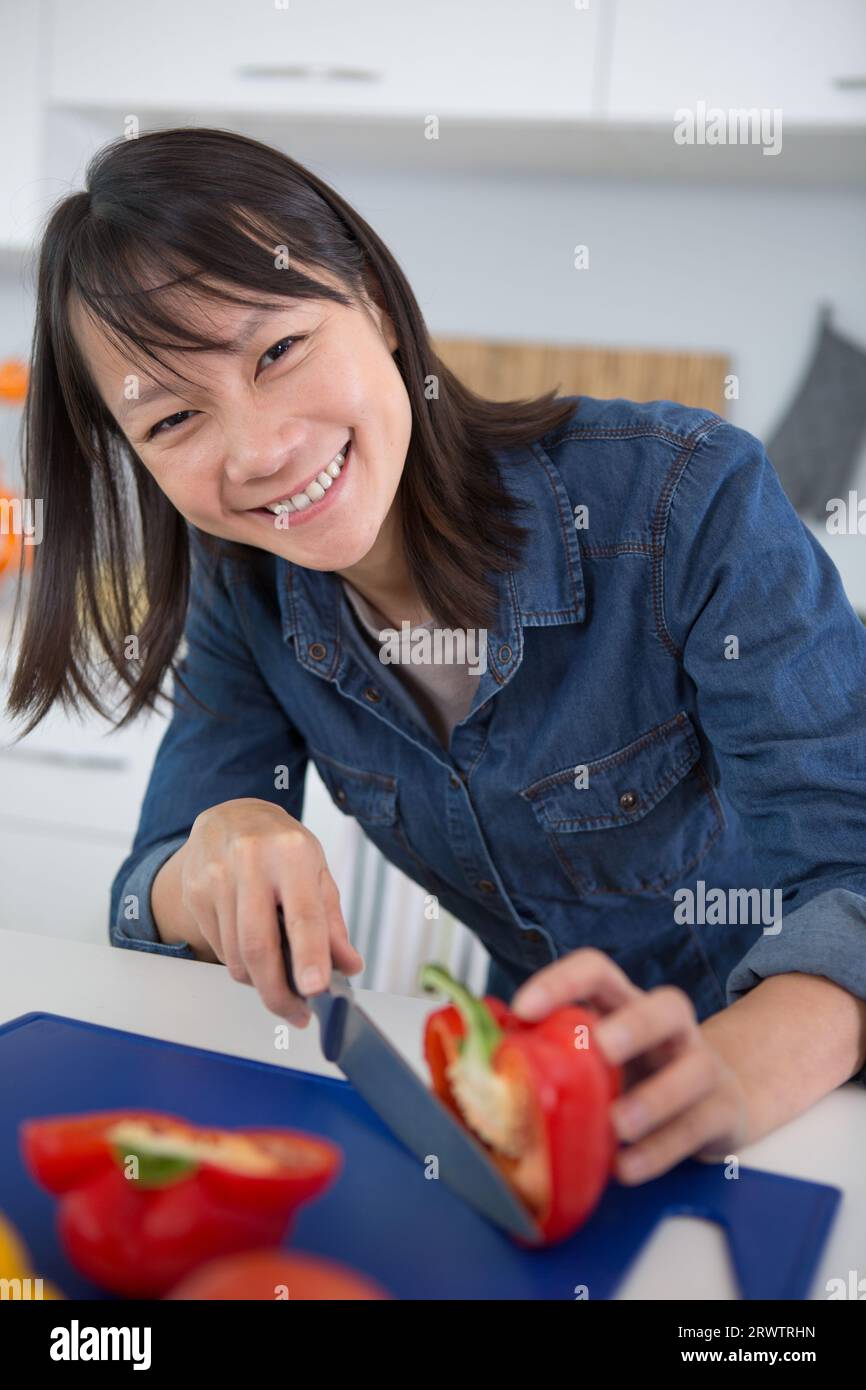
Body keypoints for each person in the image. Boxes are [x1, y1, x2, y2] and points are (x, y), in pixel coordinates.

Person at [9, 127, 866, 1188]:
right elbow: (143, 906)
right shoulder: (247, 595)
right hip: (539, 1106)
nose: (259, 450)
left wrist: (726, 1073)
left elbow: (852, 875)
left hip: (806, 1110)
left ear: (368, 293)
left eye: (276, 351)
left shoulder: (687, 502)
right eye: (176, 417)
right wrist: (208, 857)